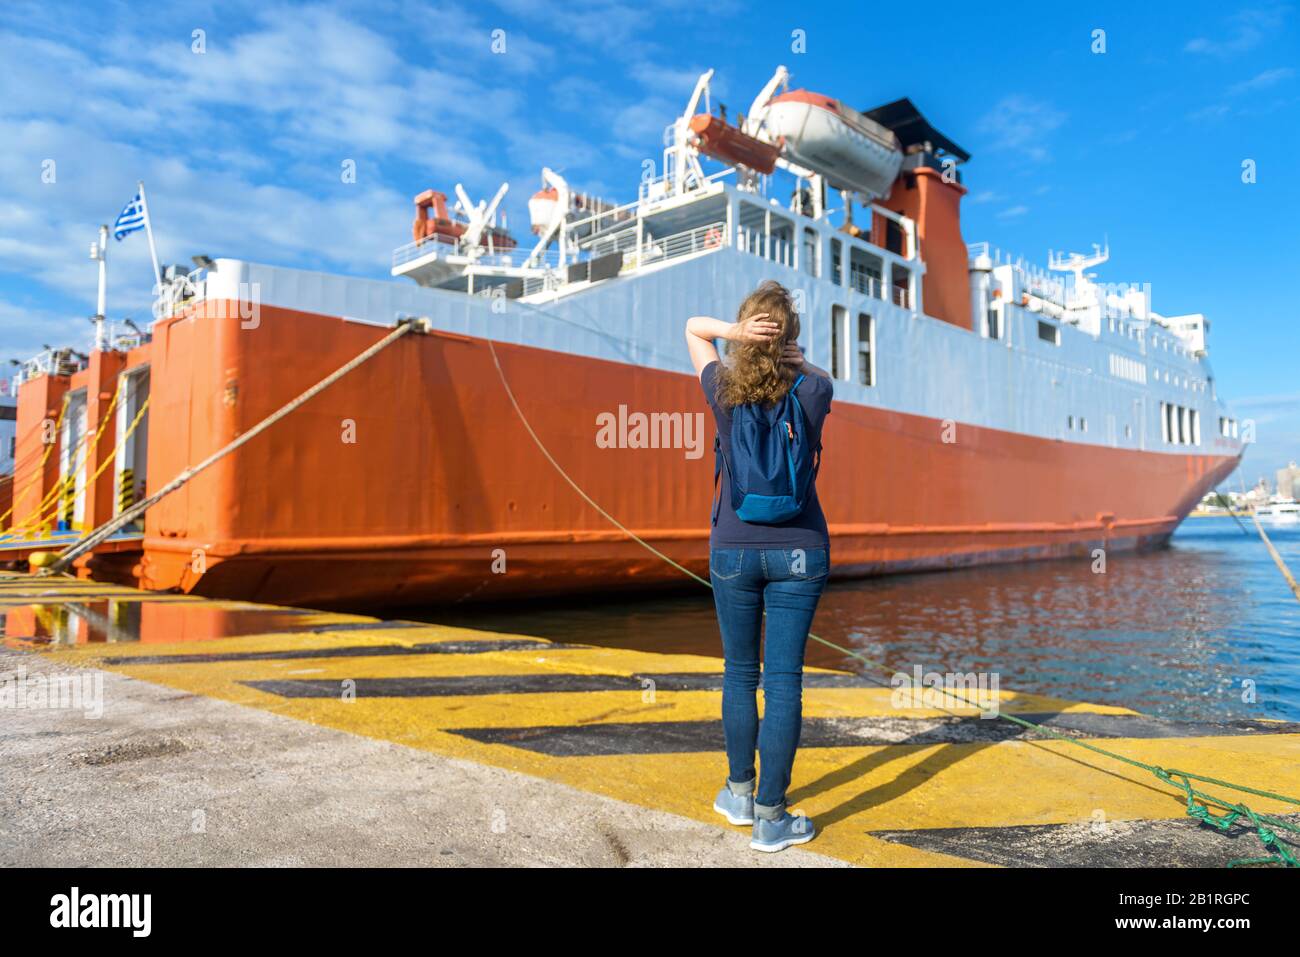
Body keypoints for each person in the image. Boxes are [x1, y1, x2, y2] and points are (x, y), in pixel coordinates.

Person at [684, 280, 833, 852]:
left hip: (733, 550)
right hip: (802, 550)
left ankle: (739, 794)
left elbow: (694, 328)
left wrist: (735, 334)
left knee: (740, 674)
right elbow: (826, 381)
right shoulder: (812, 389)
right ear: (789, 341)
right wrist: (796, 356)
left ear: (746, 338)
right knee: (785, 682)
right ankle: (773, 816)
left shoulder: (720, 386)